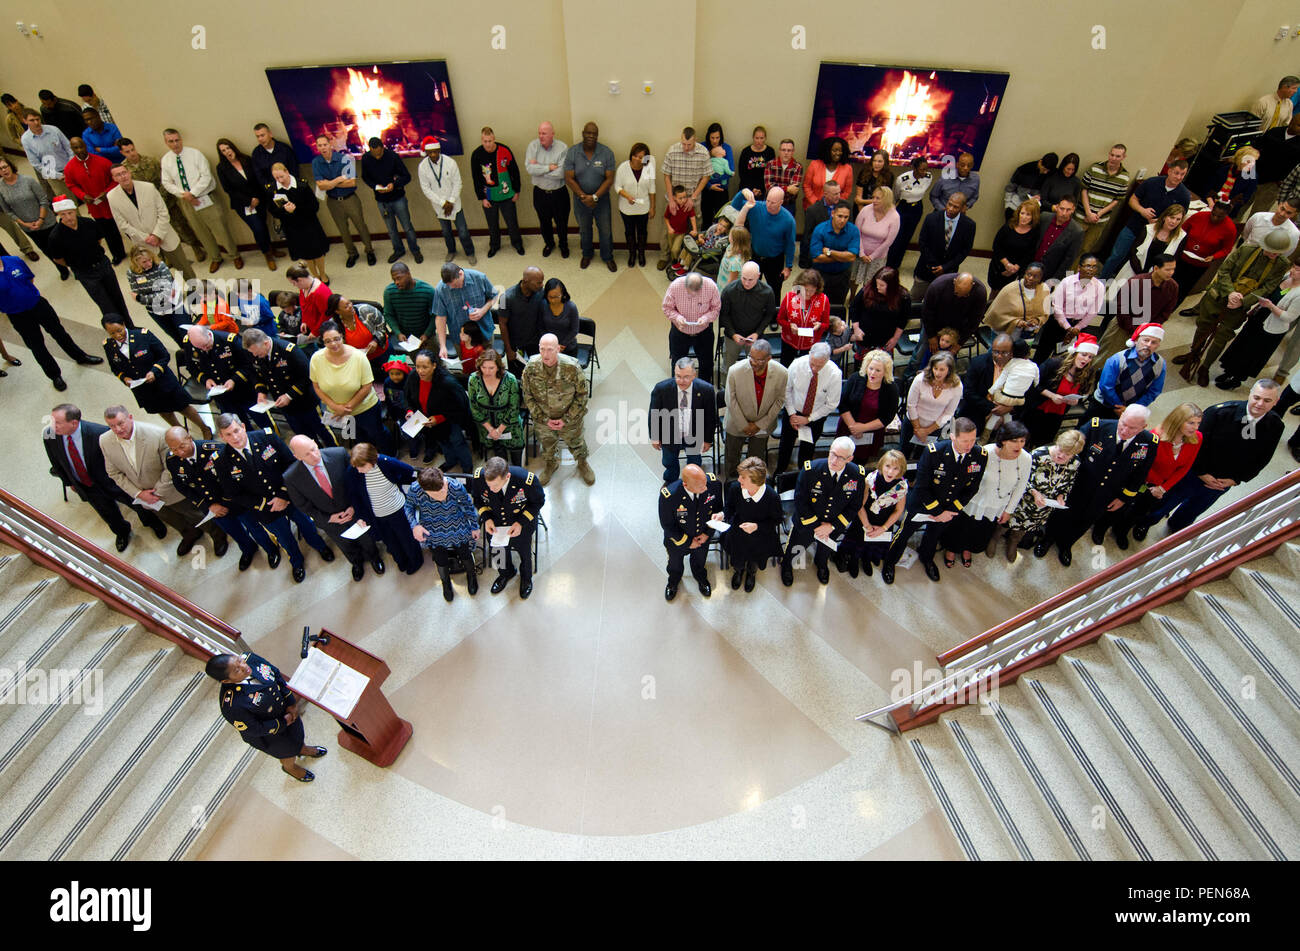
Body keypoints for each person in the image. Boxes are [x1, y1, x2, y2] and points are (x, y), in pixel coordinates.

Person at [1140, 383, 1283, 535]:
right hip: (1194, 472)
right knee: (1168, 500)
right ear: (1249, 394)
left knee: (1195, 508)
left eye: (1267, 400)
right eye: (1256, 397)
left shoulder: (1275, 425)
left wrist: (1236, 479)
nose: (1260, 404)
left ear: (1276, 401)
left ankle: (1176, 529)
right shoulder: (1219, 413)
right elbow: (1192, 444)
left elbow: (1262, 458)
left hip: (1223, 482)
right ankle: (1146, 522)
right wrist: (1201, 472)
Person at [214, 414, 335, 583]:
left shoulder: (266, 437)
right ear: (221, 436)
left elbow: (291, 464)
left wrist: (283, 495)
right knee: (283, 537)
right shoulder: (221, 460)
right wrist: (263, 504)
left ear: (242, 426)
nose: (235, 437)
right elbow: (233, 493)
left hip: (289, 495)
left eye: (236, 431)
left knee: (306, 523)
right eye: (228, 434)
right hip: (264, 508)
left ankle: (320, 546)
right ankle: (297, 561)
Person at [99, 406, 227, 556]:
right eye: (112, 426)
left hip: (170, 491)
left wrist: (156, 493)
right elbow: (113, 472)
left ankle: (217, 535)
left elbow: (171, 468)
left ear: (130, 417)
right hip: (144, 497)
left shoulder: (157, 435)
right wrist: (139, 494)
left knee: (195, 514)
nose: (118, 429)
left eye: (121, 423)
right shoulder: (105, 440)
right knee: (171, 518)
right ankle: (190, 533)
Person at [1037, 405, 1155, 566]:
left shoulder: (1149, 443)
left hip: (1107, 493)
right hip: (1079, 485)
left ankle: (1066, 545)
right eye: (1123, 423)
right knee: (1062, 514)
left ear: (1144, 427)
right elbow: (1073, 451)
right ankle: (1047, 539)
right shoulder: (1097, 427)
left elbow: (1140, 473)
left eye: (1132, 428)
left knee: (1086, 520)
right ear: (1121, 416)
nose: (1125, 430)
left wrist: (1123, 497)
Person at [43, 403, 166, 551]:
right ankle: (122, 532)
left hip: (111, 481)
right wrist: (70, 482)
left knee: (136, 503)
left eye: (58, 423)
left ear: (74, 423)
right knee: (107, 513)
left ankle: (152, 521)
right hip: (87, 486)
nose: (52, 425)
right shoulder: (49, 435)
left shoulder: (99, 433)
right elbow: (56, 461)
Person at [1179, 230, 1294, 386]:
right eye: (1271, 251)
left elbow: (1268, 287)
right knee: (1203, 327)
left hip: (1239, 308)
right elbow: (1224, 271)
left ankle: (1205, 367)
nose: (1274, 254)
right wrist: (1230, 293)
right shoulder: (1246, 250)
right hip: (1217, 297)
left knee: (1221, 338)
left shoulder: (1282, 264)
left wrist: (1244, 301)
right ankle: (1193, 354)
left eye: (1278, 253)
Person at [882, 417, 986, 584]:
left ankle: (927, 558)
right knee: (904, 534)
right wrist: (938, 512)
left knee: (933, 536)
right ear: (952, 436)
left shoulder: (979, 455)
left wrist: (950, 511)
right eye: (965, 440)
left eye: (973, 440)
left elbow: (972, 487)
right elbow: (922, 486)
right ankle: (890, 562)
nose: (970, 445)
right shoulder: (934, 452)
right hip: (922, 504)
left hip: (949, 508)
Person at [163, 426, 274, 570]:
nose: (179, 452)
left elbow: (236, 476)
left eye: (182, 446)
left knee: (254, 526)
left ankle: (270, 549)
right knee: (233, 531)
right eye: (174, 449)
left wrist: (232, 500)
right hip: (212, 506)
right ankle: (248, 549)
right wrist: (207, 506)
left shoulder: (213, 449)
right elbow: (181, 486)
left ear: (189, 438)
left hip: (236, 501)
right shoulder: (172, 459)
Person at [207, 652, 326, 782]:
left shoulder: (250, 659)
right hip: (271, 735)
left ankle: (303, 749)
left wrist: (290, 702)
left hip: (285, 711)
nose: (243, 666)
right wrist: (282, 722)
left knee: (298, 735)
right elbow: (254, 728)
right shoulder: (231, 705)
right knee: (288, 753)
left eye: (239, 661)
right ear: (226, 681)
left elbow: (275, 673)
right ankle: (290, 768)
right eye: (237, 670)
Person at [0, 251, 102, 390]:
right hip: (18, 316)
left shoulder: (13, 260)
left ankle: (80, 356)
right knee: (37, 346)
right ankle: (54, 375)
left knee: (59, 332)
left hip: (38, 304)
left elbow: (29, 279)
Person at [1108, 402, 1201, 546]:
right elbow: (1143, 464)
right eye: (1191, 423)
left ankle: (1123, 530)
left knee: (1141, 510)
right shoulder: (1155, 437)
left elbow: (1185, 467)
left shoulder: (1197, 438)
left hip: (1161, 487)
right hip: (1142, 481)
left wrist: (1163, 488)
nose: (1195, 428)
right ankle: (1113, 526)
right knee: (1126, 505)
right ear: (1178, 421)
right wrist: (1151, 484)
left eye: (1198, 423)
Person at [101, 314, 211, 437]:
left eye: (119, 331)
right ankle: (181, 433)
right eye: (112, 334)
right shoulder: (109, 346)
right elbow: (115, 368)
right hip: (144, 389)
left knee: (183, 408)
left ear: (123, 324)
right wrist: (124, 378)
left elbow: (164, 355)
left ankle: (204, 428)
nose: (117, 335)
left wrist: (154, 371)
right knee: (164, 412)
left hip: (163, 382)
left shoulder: (142, 336)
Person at [779, 436, 867, 586]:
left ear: (850, 458)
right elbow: (800, 501)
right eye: (832, 453)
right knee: (795, 547)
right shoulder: (811, 470)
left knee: (825, 549)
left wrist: (831, 526)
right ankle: (787, 566)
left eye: (840, 457)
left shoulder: (856, 475)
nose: (834, 460)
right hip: (807, 523)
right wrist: (817, 526)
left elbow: (854, 505)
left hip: (833, 525)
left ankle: (821, 564)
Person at [947, 419, 1031, 568]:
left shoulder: (1026, 459)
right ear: (1003, 440)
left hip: (996, 505)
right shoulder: (987, 451)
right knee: (961, 526)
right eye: (1014, 441)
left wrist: (1009, 510)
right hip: (974, 500)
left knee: (980, 530)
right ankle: (952, 549)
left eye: (1022, 441)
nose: (1019, 445)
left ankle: (968, 549)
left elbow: (1021, 486)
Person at [159, 129, 241, 272]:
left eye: (177, 140)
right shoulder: (166, 160)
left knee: (220, 229)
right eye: (171, 141)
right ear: (166, 143)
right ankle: (215, 257)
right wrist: (184, 194)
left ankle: (235, 255)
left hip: (204, 197)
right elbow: (166, 183)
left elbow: (206, 176)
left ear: (181, 139)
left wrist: (193, 193)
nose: (175, 144)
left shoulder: (195, 154)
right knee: (201, 231)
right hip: (186, 201)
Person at [469, 455, 545, 599]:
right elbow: (478, 500)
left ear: (507, 476)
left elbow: (538, 502)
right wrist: (487, 518)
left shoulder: (526, 480)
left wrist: (520, 523)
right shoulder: (479, 477)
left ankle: (526, 578)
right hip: (495, 521)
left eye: (495, 486)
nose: (491, 489)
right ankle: (506, 573)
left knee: (524, 551)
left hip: (521, 522)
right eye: (489, 485)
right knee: (497, 550)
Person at [521, 333, 594, 485]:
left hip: (570, 419)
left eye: (549, 349)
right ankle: (550, 464)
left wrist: (566, 419)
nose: (545, 354)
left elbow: (582, 396)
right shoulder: (531, 367)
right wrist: (544, 419)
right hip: (543, 420)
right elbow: (527, 395)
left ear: (558, 349)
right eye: (542, 349)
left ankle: (582, 463)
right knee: (547, 444)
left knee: (577, 443)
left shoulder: (571, 368)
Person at [241, 327, 332, 446]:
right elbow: (257, 375)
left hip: (306, 402)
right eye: (252, 352)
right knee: (304, 437)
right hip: (285, 406)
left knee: (323, 432)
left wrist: (289, 396)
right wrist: (261, 391)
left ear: (266, 343)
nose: (255, 355)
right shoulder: (256, 353)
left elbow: (307, 376)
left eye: (256, 352)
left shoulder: (288, 350)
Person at [119, 137, 206, 261]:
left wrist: (160, 199)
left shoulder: (151, 161)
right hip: (148, 208)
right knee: (158, 232)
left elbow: (165, 181)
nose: (132, 153)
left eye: (133, 149)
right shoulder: (125, 169)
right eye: (127, 151)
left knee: (181, 225)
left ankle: (195, 247)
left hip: (166, 201)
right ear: (122, 153)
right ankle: (167, 257)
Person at [1100, 161, 1191, 278]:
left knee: (1138, 264)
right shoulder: (1152, 182)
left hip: (1153, 235)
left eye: (1182, 174)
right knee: (1116, 256)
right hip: (1134, 227)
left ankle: (1118, 286)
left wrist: (1162, 222)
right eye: (1176, 173)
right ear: (1169, 171)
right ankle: (1101, 281)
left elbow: (1180, 217)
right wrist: (1142, 210)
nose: (1178, 177)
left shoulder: (1184, 195)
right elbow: (1132, 200)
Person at [1004, 429, 1085, 559]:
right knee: (1007, 521)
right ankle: (995, 537)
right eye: (1060, 450)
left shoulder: (1075, 463)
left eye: (1068, 454)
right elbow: (1020, 477)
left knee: (1026, 527)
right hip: (1022, 501)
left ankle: (1013, 542)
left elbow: (1069, 483)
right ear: (1057, 443)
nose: (1061, 456)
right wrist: (1034, 493)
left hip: (1043, 507)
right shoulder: (1038, 455)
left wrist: (1061, 496)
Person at [309, 321, 390, 451]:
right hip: (339, 413)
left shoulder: (358, 357)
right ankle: (367, 462)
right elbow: (316, 386)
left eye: (336, 339)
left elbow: (367, 386)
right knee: (358, 438)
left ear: (342, 336)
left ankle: (389, 455)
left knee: (377, 435)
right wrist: (336, 407)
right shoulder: (316, 359)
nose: (333, 344)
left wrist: (348, 407)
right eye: (328, 341)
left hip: (365, 409)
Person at [342, 442, 421, 574]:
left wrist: (398, 481)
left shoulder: (385, 462)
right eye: (356, 467)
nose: (359, 470)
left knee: (407, 539)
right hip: (377, 515)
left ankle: (415, 561)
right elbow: (354, 496)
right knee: (390, 542)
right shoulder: (353, 472)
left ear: (372, 460)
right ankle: (401, 561)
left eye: (362, 466)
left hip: (398, 509)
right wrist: (360, 517)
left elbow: (408, 471)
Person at [106, 165, 195, 282]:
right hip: (144, 242)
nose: (123, 176)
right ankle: (174, 297)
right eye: (118, 175)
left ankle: (197, 292)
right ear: (114, 178)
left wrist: (157, 235)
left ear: (129, 173)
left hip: (165, 235)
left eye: (124, 172)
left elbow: (163, 212)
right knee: (160, 273)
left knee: (184, 267)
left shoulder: (148, 187)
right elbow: (122, 224)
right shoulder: (112, 197)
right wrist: (146, 238)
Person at [1218, 262, 1300, 388]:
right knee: (1241, 345)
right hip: (1259, 317)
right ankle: (1228, 371)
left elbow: (1289, 317)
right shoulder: (1286, 276)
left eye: (1298, 270)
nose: (1293, 271)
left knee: (1251, 353)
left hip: (1272, 328)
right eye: (1294, 267)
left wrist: (1271, 306)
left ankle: (1236, 379)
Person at [405, 465, 480, 600]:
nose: (444, 492)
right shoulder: (416, 489)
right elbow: (408, 506)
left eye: (444, 487)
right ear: (425, 490)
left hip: (457, 525)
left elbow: (469, 506)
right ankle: (446, 583)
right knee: (440, 558)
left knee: (465, 553)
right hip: (432, 529)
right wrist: (414, 525)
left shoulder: (454, 486)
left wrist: (474, 527)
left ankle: (471, 576)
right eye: (438, 493)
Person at [48, 198, 131, 317]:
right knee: (106, 305)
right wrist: (75, 264)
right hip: (85, 273)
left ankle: (130, 327)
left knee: (118, 298)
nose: (68, 217)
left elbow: (98, 239)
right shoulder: (55, 236)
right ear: (58, 215)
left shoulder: (88, 223)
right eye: (63, 214)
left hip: (102, 265)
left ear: (75, 210)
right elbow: (58, 259)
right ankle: (119, 331)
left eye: (70, 213)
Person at [1019, 334, 1100, 447]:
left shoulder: (1088, 371)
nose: (1086, 360)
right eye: (1084, 355)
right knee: (1024, 437)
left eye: (1090, 357)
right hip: (1037, 408)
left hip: (1058, 413)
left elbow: (1084, 392)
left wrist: (1077, 400)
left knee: (1043, 441)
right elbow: (1034, 384)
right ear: (1075, 353)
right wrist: (1052, 395)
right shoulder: (1054, 364)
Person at [723, 339, 787, 478]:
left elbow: (780, 400)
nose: (753, 362)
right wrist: (744, 425)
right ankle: (732, 487)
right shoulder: (735, 371)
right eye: (751, 357)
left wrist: (759, 425)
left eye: (759, 360)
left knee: (756, 462)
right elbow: (730, 399)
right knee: (732, 459)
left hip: (763, 425)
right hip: (736, 423)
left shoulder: (782, 373)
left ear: (769, 358)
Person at [658, 462, 722, 601]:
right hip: (678, 539)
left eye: (705, 483)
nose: (706, 488)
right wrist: (687, 542)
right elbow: (667, 525)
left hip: (702, 536)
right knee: (674, 564)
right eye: (701, 486)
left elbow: (717, 510)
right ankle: (673, 582)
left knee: (699, 561)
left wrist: (707, 533)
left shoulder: (713, 484)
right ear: (686, 485)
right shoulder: (669, 496)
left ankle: (700, 577)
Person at [775, 341, 842, 473]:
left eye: (819, 365)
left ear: (827, 360)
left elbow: (831, 404)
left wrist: (809, 419)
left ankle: (803, 475)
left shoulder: (834, 374)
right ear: (810, 355)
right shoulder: (797, 365)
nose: (815, 369)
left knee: (808, 449)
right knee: (785, 446)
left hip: (816, 416)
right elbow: (786, 390)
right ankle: (779, 473)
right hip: (793, 412)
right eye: (812, 364)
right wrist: (792, 414)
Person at [309, 133, 374, 269]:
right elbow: (321, 185)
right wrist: (338, 179)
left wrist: (330, 183)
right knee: (343, 230)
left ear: (330, 145)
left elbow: (351, 183)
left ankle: (369, 251)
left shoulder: (345, 158)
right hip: (333, 201)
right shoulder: (316, 162)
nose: (323, 148)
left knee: (360, 226)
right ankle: (352, 254)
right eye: (319, 146)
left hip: (350, 199)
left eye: (325, 144)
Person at [403, 350, 473, 470]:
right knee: (442, 442)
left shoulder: (447, 383)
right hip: (428, 420)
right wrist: (410, 411)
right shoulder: (413, 377)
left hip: (450, 420)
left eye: (425, 367)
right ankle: (451, 461)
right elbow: (407, 397)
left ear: (434, 365)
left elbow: (460, 405)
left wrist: (440, 418)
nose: (420, 371)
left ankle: (467, 467)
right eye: (417, 366)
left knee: (457, 442)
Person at [649, 358, 716, 484]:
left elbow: (710, 417)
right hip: (669, 433)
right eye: (678, 376)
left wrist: (708, 439)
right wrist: (654, 437)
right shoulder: (661, 389)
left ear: (694, 375)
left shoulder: (706, 390)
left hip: (694, 434)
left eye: (686, 377)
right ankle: (670, 481)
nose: (681, 381)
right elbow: (654, 414)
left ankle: (692, 482)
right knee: (669, 461)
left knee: (695, 461)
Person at [842, 449, 907, 578]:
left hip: (884, 522)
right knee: (858, 542)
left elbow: (899, 510)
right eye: (888, 466)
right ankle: (854, 560)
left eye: (895, 468)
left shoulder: (902, 486)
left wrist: (883, 528)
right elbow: (860, 505)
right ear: (881, 465)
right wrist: (867, 526)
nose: (890, 472)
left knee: (873, 545)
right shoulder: (870, 479)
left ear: (900, 470)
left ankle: (866, 560)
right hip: (864, 520)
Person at [722, 456, 782, 591]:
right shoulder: (735, 488)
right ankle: (738, 571)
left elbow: (776, 520)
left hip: (760, 534)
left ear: (756, 482)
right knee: (737, 557)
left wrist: (756, 526)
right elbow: (729, 507)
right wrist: (722, 515)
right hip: (738, 531)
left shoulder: (771, 497)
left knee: (754, 558)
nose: (738, 480)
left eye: (743, 478)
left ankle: (751, 573)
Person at [215, 138, 276, 269]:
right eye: (223, 151)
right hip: (243, 205)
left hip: (259, 199)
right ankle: (267, 254)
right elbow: (228, 189)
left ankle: (270, 249)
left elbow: (258, 179)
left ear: (233, 147)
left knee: (264, 225)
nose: (227, 152)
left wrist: (256, 198)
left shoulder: (246, 159)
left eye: (228, 148)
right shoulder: (221, 168)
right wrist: (249, 201)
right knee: (257, 228)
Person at [563, 122, 616, 271]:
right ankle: (587, 254)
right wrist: (583, 196)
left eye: (594, 134)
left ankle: (608, 257)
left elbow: (609, 179)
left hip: (602, 200)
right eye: (588, 133)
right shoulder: (573, 152)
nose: (591, 136)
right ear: (583, 133)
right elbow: (568, 178)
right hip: (580, 201)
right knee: (584, 229)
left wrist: (595, 197)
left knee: (605, 230)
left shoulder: (606, 153)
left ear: (597, 136)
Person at [360, 136, 421, 264]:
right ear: (370, 150)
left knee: (407, 227)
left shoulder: (392, 156)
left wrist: (395, 184)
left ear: (383, 148)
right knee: (391, 230)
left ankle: (415, 250)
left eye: (379, 154)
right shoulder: (366, 159)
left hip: (398, 198)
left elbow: (407, 176)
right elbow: (365, 177)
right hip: (382, 200)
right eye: (374, 154)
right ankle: (398, 250)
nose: (377, 157)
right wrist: (375, 187)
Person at [63, 138, 125, 263]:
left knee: (122, 226)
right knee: (107, 231)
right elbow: (71, 185)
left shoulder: (102, 161)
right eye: (76, 148)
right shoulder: (69, 168)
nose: (80, 150)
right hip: (95, 207)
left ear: (85, 146)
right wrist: (82, 195)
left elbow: (115, 179)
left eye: (81, 146)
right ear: (71, 149)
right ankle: (117, 254)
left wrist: (107, 191)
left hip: (111, 202)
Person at [1036, 253, 1105, 362]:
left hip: (1077, 327)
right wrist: (1067, 327)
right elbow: (1057, 306)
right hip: (1058, 323)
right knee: (1042, 353)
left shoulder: (1099, 287)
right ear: (1079, 267)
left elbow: (1093, 311)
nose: (1091, 269)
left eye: (1094, 267)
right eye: (1088, 266)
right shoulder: (1067, 281)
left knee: (1062, 358)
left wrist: (1077, 328)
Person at [417, 136, 475, 266]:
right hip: (439, 206)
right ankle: (451, 250)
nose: (433, 155)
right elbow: (426, 189)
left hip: (454, 203)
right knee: (446, 231)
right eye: (430, 152)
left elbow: (458, 183)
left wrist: (451, 201)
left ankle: (470, 252)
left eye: (435, 151)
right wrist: (443, 203)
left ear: (439, 149)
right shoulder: (422, 167)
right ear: (426, 153)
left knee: (463, 231)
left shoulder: (450, 163)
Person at [728, 187, 796, 298]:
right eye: (768, 200)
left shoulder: (788, 220)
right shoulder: (757, 206)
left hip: (775, 259)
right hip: (755, 256)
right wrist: (743, 192)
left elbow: (790, 244)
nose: (769, 205)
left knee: (775, 291)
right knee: (749, 288)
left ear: (781, 203)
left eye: (773, 203)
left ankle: (773, 314)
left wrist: (788, 267)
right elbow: (735, 204)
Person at [836, 348, 900, 464]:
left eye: (878, 370)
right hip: (848, 426)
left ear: (885, 372)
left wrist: (863, 428)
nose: (872, 373)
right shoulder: (856, 378)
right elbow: (842, 403)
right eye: (870, 368)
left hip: (871, 431)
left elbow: (887, 417)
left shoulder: (891, 388)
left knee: (860, 462)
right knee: (840, 457)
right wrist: (853, 426)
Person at [267, 163, 329, 284]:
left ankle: (322, 273)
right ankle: (315, 275)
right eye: (276, 178)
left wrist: (296, 209)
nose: (280, 180)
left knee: (317, 251)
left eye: (281, 177)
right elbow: (272, 210)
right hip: (292, 227)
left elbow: (314, 206)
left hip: (309, 223)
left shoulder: (301, 185)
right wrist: (284, 210)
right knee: (306, 254)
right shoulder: (272, 189)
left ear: (287, 172)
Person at [1173, 201, 1238, 313]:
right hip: (1181, 257)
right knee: (1170, 282)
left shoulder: (1230, 228)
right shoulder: (1199, 216)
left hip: (1200, 264)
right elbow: (1183, 230)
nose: (1215, 218)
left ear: (1226, 215)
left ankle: (1170, 310)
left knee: (1183, 289)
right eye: (1213, 214)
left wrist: (1214, 256)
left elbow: (1226, 249)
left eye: (1219, 217)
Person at [183, 325, 257, 422]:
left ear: (209, 334)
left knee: (260, 419)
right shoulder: (189, 343)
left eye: (206, 345)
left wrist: (234, 380)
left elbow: (248, 364)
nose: (204, 349)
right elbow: (191, 367)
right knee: (237, 423)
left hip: (243, 389)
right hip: (220, 394)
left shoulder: (229, 340)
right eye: (200, 348)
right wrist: (205, 380)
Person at [471, 126, 524, 257]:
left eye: (490, 141)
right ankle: (494, 245)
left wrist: (516, 190)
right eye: (485, 141)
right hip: (489, 196)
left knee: (512, 222)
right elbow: (476, 178)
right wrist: (482, 198)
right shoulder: (476, 155)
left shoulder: (504, 150)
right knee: (492, 224)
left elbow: (514, 171)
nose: (488, 144)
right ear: (481, 140)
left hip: (506, 193)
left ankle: (517, 243)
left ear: (494, 139)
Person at [912, 192, 975, 298]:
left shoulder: (969, 225)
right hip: (926, 268)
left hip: (948, 271)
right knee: (914, 298)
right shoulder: (931, 218)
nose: (950, 208)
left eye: (955, 207)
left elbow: (965, 250)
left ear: (963, 208)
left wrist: (945, 267)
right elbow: (923, 243)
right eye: (949, 204)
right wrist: (935, 266)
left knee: (940, 301)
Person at [467, 347, 525, 465]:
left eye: (491, 368)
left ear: (498, 366)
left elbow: (514, 407)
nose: (487, 371)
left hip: (509, 425)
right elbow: (474, 407)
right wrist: (491, 430)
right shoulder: (473, 379)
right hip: (487, 425)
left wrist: (499, 430)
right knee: (499, 460)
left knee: (516, 458)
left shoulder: (509, 379)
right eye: (484, 367)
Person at [662, 271, 720, 384]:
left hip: (703, 333)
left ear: (702, 285)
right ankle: (679, 386)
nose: (693, 294)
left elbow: (716, 308)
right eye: (690, 291)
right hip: (680, 332)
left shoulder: (711, 286)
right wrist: (677, 317)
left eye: (697, 291)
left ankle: (704, 388)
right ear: (685, 285)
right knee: (678, 362)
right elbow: (667, 308)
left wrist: (706, 318)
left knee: (706, 363)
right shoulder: (675, 286)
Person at [902, 351, 962, 458]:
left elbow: (949, 413)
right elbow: (911, 405)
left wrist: (926, 431)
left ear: (949, 370)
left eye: (942, 369)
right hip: (912, 422)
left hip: (934, 427)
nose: (937, 373)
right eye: (935, 368)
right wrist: (917, 429)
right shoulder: (920, 379)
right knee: (903, 452)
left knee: (923, 456)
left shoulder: (957, 386)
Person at [432, 262, 496, 360]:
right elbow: (440, 317)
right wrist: (443, 346)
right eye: (450, 285)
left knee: (489, 364)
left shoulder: (480, 278)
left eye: (455, 284)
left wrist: (483, 310)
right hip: (461, 338)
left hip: (483, 332)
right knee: (467, 365)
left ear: (461, 274)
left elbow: (495, 296)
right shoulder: (441, 289)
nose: (452, 288)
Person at [0, 157, 56, 271]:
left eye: (5, 167)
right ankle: (61, 269)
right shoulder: (1, 187)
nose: (4, 170)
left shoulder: (28, 180)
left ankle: (73, 267)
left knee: (59, 245)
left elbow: (43, 200)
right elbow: (7, 210)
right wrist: (25, 224)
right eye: (0, 169)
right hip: (28, 227)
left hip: (46, 221)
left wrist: (40, 219)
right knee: (45, 249)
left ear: (11, 166)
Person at [918, 271, 987, 362]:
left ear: (972, 285)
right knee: (921, 354)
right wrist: (931, 336)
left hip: (957, 327)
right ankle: (910, 373)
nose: (960, 297)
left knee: (949, 358)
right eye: (957, 293)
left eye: (965, 295)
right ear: (954, 281)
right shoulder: (938, 286)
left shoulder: (980, 292)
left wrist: (959, 344)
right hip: (934, 322)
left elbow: (974, 320)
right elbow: (927, 312)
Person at [1075, 144, 1131, 257]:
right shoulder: (1095, 168)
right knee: (1072, 245)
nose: (1113, 158)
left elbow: (1117, 200)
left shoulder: (1124, 177)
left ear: (1124, 157)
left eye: (1118, 156)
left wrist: (1098, 214)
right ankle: (1062, 274)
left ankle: (1072, 274)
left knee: (1085, 250)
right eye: (1112, 154)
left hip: (1099, 221)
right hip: (1082, 215)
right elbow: (1084, 190)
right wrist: (1088, 212)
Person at [526, 121, 571, 259]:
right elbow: (529, 169)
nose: (541, 136)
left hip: (559, 193)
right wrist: (549, 167)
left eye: (544, 133)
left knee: (562, 222)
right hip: (540, 193)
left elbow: (561, 173)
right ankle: (549, 244)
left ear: (552, 134)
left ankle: (563, 245)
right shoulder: (533, 146)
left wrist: (538, 168)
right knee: (544, 222)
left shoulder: (562, 147)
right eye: (539, 133)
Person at [718, 259, 775, 368]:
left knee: (756, 367)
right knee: (727, 367)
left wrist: (757, 333)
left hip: (754, 336)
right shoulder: (729, 291)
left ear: (758, 276)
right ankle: (726, 385)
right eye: (744, 278)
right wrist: (733, 334)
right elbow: (724, 315)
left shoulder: (767, 292)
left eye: (750, 280)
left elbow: (769, 314)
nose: (746, 283)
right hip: (732, 335)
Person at [124, 244, 185, 343]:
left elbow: (166, 293)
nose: (149, 263)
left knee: (186, 334)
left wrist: (141, 298)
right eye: (144, 262)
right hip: (155, 311)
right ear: (136, 262)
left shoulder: (160, 266)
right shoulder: (131, 273)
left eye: (150, 259)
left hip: (174, 307)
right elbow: (136, 292)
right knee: (176, 337)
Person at [957, 333, 1014, 433]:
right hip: (980, 407)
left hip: (1009, 408)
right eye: (996, 352)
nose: (999, 356)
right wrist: (993, 408)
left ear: (1012, 352)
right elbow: (968, 392)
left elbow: (1026, 393)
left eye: (1004, 353)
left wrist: (1009, 407)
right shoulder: (978, 363)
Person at [848, 267, 910, 356]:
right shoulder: (867, 290)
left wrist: (895, 339)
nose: (877, 287)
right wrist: (856, 329)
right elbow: (854, 308)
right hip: (865, 336)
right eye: (876, 283)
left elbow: (903, 320)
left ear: (892, 286)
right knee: (863, 362)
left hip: (886, 337)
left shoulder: (903, 297)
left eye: (882, 285)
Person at [775, 268, 829, 368]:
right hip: (789, 341)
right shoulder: (790, 297)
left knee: (806, 369)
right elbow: (779, 319)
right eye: (805, 290)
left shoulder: (823, 300)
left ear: (817, 288)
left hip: (810, 343)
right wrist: (789, 325)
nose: (808, 294)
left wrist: (820, 325)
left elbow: (826, 323)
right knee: (786, 367)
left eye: (812, 291)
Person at [886, 156, 933, 270]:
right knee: (897, 237)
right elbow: (896, 195)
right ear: (914, 168)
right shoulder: (902, 179)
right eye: (922, 169)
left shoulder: (928, 177)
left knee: (906, 238)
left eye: (926, 169)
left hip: (916, 208)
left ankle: (897, 265)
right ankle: (889, 264)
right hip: (903, 207)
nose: (924, 172)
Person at [850, 187, 899, 296]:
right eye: (873, 197)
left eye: (878, 198)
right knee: (854, 278)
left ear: (886, 199)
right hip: (860, 253)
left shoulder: (895, 216)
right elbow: (856, 231)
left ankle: (865, 299)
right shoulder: (866, 209)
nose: (874, 200)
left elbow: (888, 241)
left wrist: (872, 256)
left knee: (872, 282)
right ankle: (852, 298)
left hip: (877, 257)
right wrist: (861, 253)